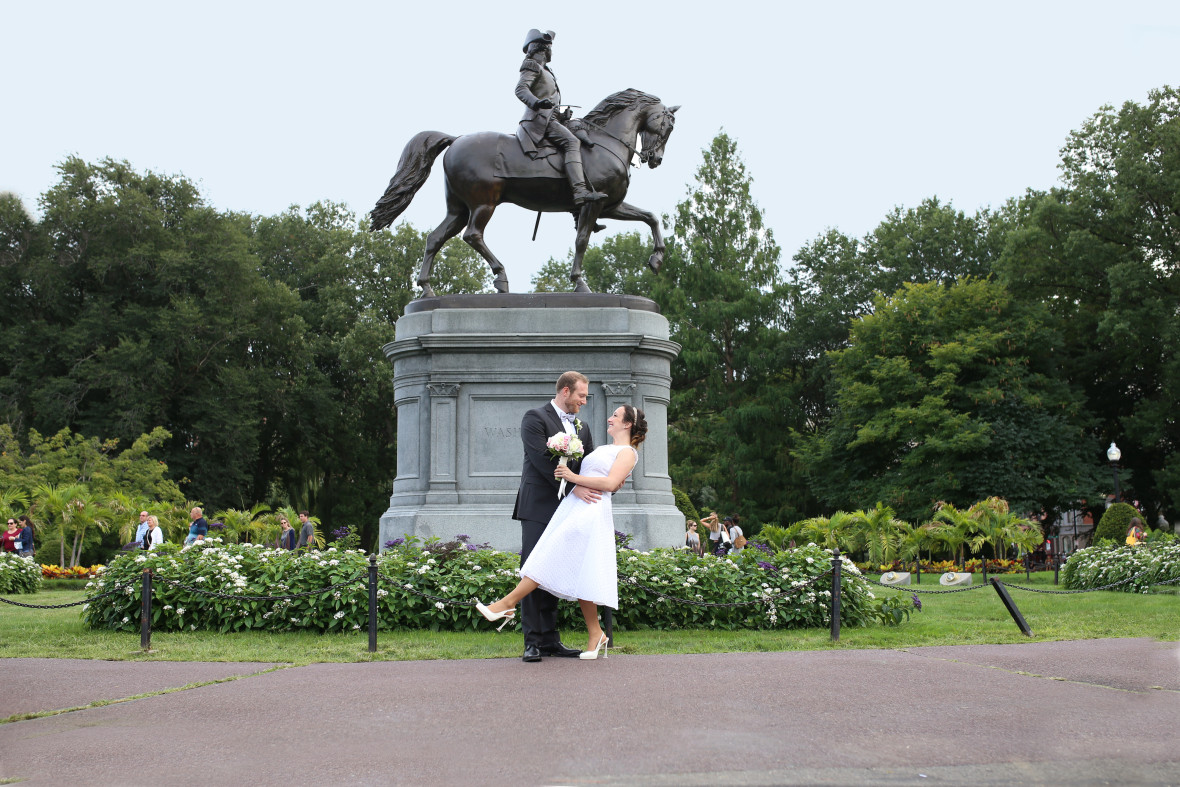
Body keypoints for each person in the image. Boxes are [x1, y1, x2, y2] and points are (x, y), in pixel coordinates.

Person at [477, 404, 647, 660]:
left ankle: (506, 604)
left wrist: (572, 477)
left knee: (547, 558)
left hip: (589, 512)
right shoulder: (604, 449)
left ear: (627, 424)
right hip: (573, 508)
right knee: (576, 570)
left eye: (615, 415)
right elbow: (602, 478)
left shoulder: (628, 452)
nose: (609, 418)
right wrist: (571, 473)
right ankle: (596, 633)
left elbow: (610, 484)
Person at [509, 371, 601, 662]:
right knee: (534, 570)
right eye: (581, 396)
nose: (584, 402)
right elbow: (539, 459)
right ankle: (532, 642)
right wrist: (576, 488)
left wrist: (607, 480)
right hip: (537, 506)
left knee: (554, 571)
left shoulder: (581, 428)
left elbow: (587, 463)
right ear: (564, 391)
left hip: (567, 510)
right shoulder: (534, 418)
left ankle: (550, 640)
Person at [515, 29, 607, 206]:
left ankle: (576, 210)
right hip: (538, 121)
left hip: (551, 118)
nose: (550, 51)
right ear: (542, 49)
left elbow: (550, 101)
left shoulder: (547, 71)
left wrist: (562, 115)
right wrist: (537, 103)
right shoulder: (532, 65)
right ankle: (580, 191)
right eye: (548, 48)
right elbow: (521, 89)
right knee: (572, 142)